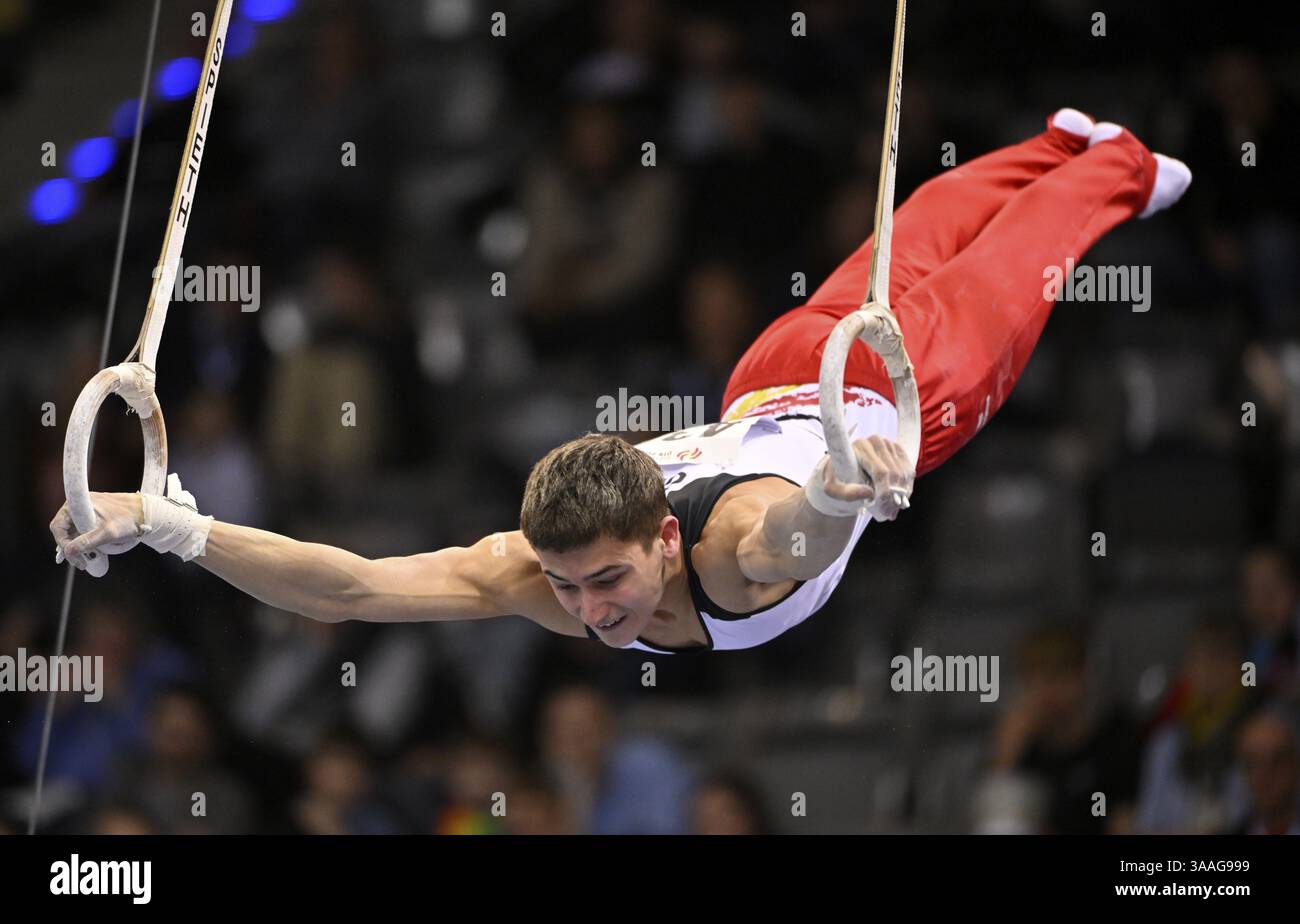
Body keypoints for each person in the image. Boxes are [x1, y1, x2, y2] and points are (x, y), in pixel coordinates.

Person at [51, 109, 1192, 656]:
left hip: (887, 399)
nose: (591, 610)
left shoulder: (731, 547)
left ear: (658, 535)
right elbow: (348, 588)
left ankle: (1116, 164)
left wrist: (843, 496)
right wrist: (168, 524)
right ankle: (1049, 139)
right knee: (915, 232)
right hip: (788, 385)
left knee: (1017, 256)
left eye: (602, 581)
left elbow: (784, 539)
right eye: (573, 585)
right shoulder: (538, 573)